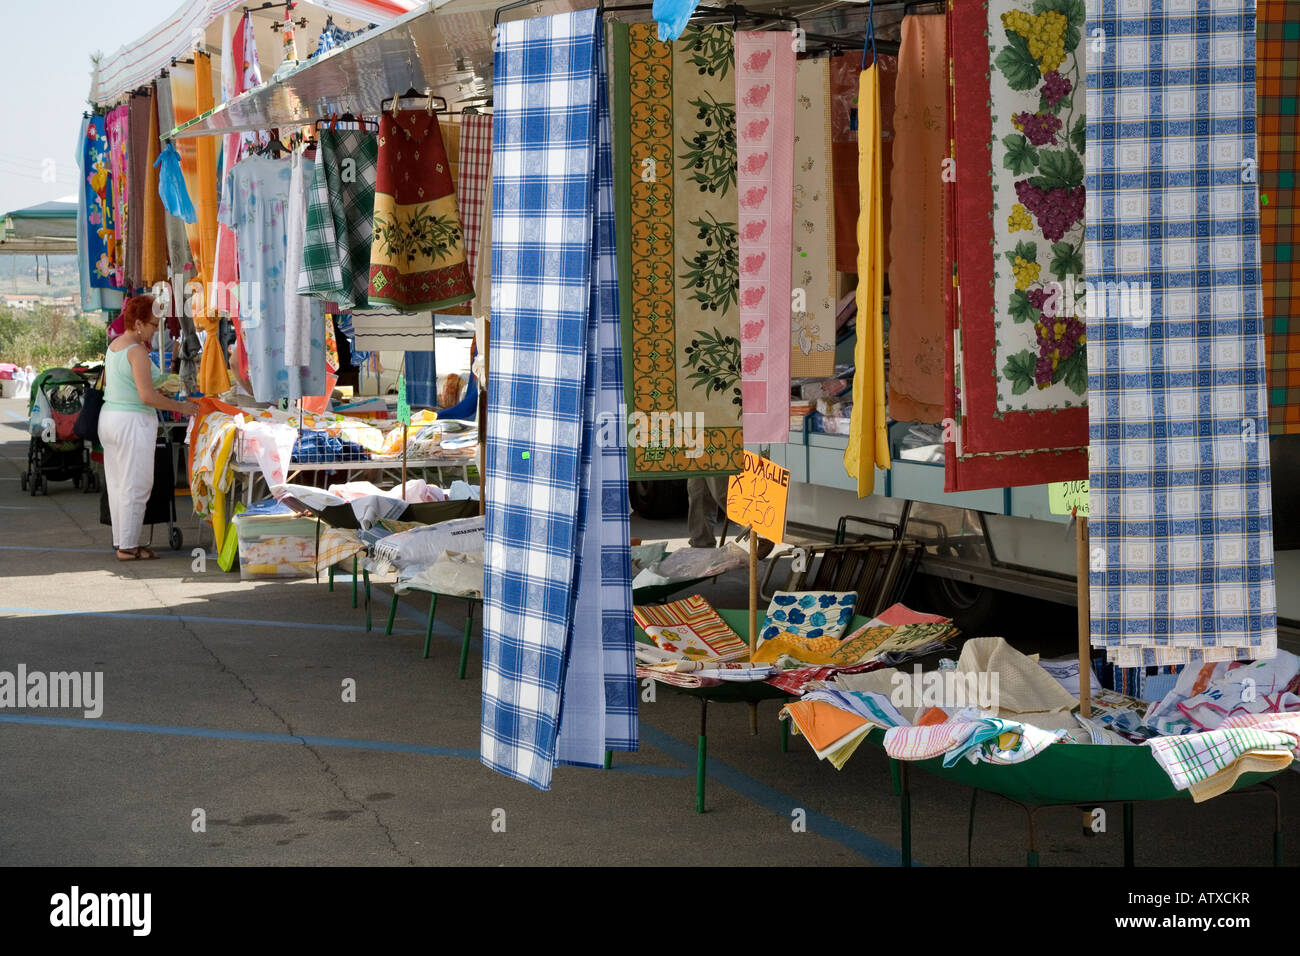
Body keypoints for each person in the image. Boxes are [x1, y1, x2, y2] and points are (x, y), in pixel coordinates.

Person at [100, 294, 200, 561]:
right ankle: (128, 547)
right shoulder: (138, 352)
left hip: (110, 418)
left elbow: (152, 382)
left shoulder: (115, 346)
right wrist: (183, 408)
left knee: (119, 484)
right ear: (139, 323)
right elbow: (147, 395)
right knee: (137, 485)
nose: (157, 330)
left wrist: (177, 367)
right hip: (131, 422)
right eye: (154, 325)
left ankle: (124, 541)